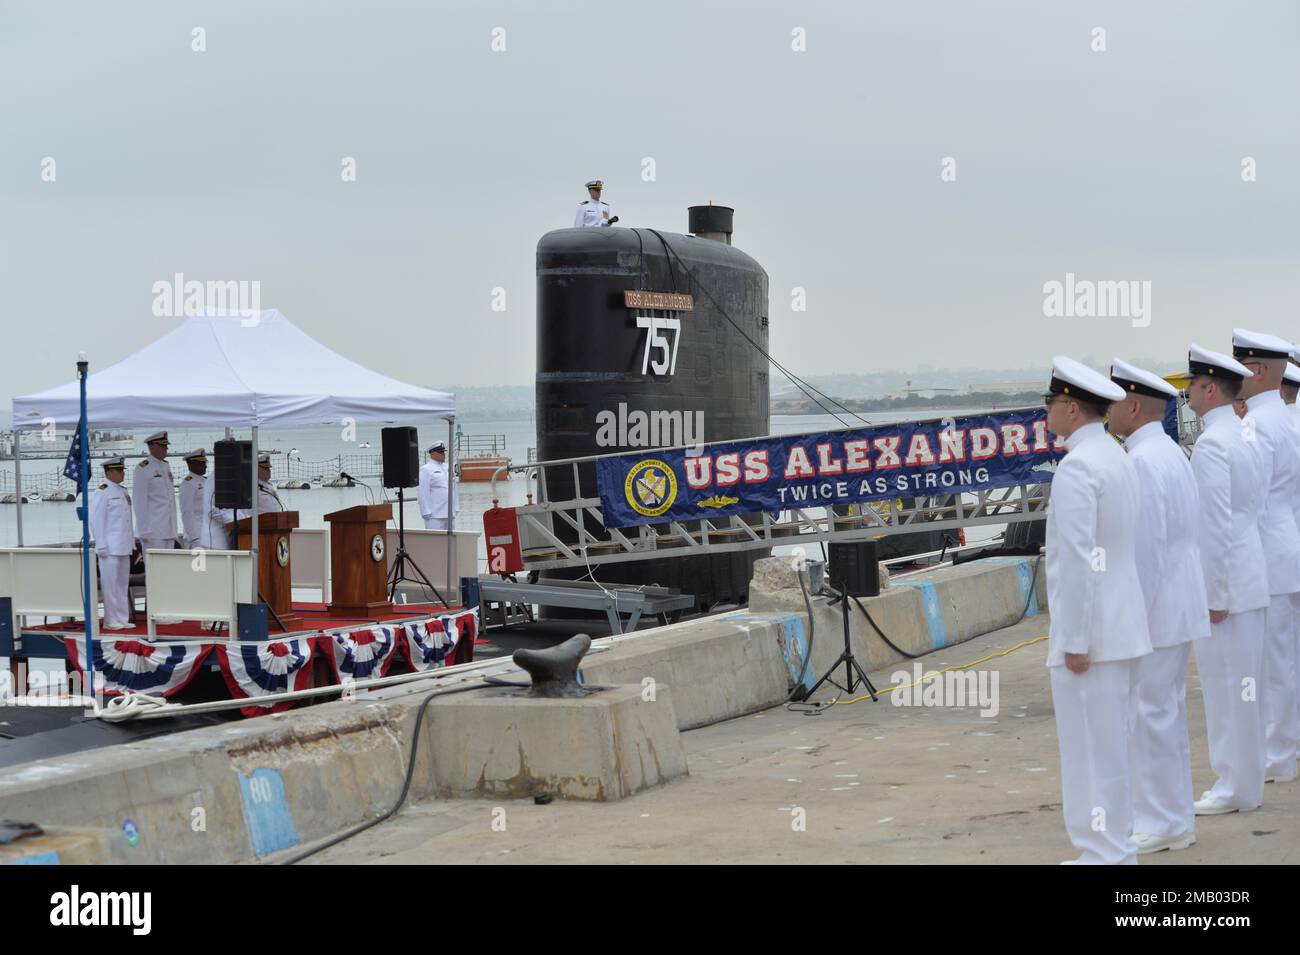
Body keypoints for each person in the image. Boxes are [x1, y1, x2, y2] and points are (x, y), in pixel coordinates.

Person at [1042, 356, 1152, 865]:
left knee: (1090, 750)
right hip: (1124, 625)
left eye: (1051, 403)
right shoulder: (1117, 456)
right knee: (1114, 746)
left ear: (1069, 407)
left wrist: (1076, 640)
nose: (1046, 411)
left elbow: (1079, 563)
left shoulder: (1078, 466)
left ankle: (1104, 851)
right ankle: (1115, 845)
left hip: (1094, 635)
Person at [1107, 359, 1208, 854]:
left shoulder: (1142, 463)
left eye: (1111, 401)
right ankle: (1172, 817)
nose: (1106, 411)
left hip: (1157, 608)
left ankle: (1162, 820)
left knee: (1150, 716)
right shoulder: (1168, 452)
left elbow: (1144, 551)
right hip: (1179, 601)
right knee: (1162, 713)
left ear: (1132, 405)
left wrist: (1130, 618)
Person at [1185, 344, 1269, 814]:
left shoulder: (1213, 445)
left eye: (1194, 386)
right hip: (1250, 576)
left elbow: (1213, 526)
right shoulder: (1245, 436)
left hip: (1229, 587)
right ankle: (1247, 785)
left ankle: (1233, 786)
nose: (1190, 394)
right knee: (1246, 690)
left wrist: (1212, 594)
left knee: (1225, 690)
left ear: (1210, 388)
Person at [1230, 329, 1300, 787]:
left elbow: (1243, 502)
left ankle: (1279, 754)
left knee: (1272, 664)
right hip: (1287, 544)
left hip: (1266, 553)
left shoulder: (1255, 425)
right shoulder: (1291, 418)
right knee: (1285, 658)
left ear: (1256, 371)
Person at [89, 457, 135, 630]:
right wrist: (100, 543)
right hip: (109, 547)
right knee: (110, 584)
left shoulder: (123, 491)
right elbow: (96, 519)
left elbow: (127, 521)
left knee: (122, 584)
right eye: (119, 470)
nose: (123, 473)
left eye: (122, 469)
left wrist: (131, 542)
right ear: (109, 472)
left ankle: (122, 617)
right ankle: (110, 619)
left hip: (123, 545)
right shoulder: (103, 491)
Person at [132, 431, 177, 553]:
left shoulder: (166, 466)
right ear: (152, 446)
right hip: (153, 530)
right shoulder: (143, 468)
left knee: (167, 567)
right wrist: (144, 529)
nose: (166, 449)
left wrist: (174, 528)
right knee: (154, 568)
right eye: (163, 446)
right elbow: (139, 501)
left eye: (166, 446)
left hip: (169, 528)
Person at [178, 449, 226, 549]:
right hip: (197, 535)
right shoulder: (187, 484)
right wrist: (194, 537)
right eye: (201, 463)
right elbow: (187, 512)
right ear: (191, 464)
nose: (205, 466)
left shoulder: (205, 481)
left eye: (205, 463)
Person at [417, 441, 457, 530]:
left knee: (452, 541)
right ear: (433, 453)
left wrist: (456, 508)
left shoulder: (448, 467)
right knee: (435, 541)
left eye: (444, 452)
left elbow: (454, 488)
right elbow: (422, 492)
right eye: (440, 452)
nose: (443, 454)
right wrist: (425, 512)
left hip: (450, 513)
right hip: (434, 515)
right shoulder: (426, 469)